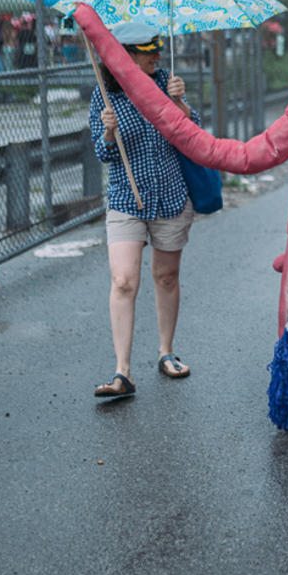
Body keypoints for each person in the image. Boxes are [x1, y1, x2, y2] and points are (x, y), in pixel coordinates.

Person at [89, 22, 199, 400]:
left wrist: (181, 104)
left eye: (156, 49)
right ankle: (122, 371)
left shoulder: (167, 83)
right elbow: (103, 154)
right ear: (126, 57)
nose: (155, 54)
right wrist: (108, 131)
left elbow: (194, 134)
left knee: (166, 277)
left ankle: (166, 352)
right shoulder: (105, 95)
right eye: (146, 50)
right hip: (126, 199)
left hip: (170, 196)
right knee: (123, 281)